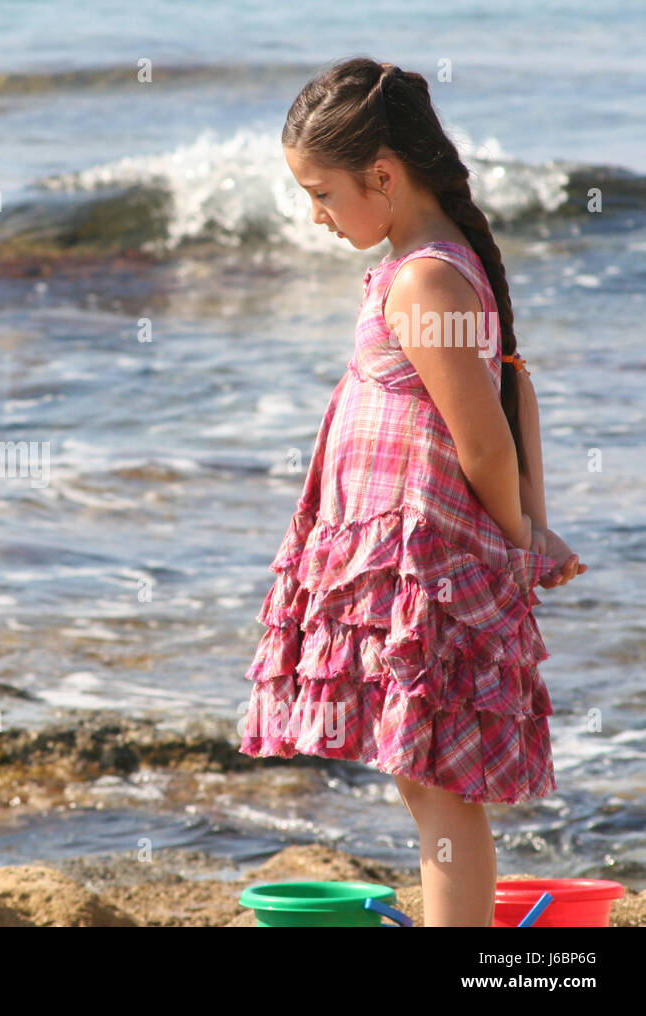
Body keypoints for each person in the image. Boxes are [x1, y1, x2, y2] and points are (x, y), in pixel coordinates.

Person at [238, 57, 588, 927]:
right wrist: (535, 524)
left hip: (427, 565)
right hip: (405, 560)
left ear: (384, 176)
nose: (313, 215)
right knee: (424, 778)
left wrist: (517, 542)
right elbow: (515, 386)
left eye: (321, 193)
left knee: (436, 788)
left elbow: (483, 434)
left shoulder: (425, 277)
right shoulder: (422, 264)